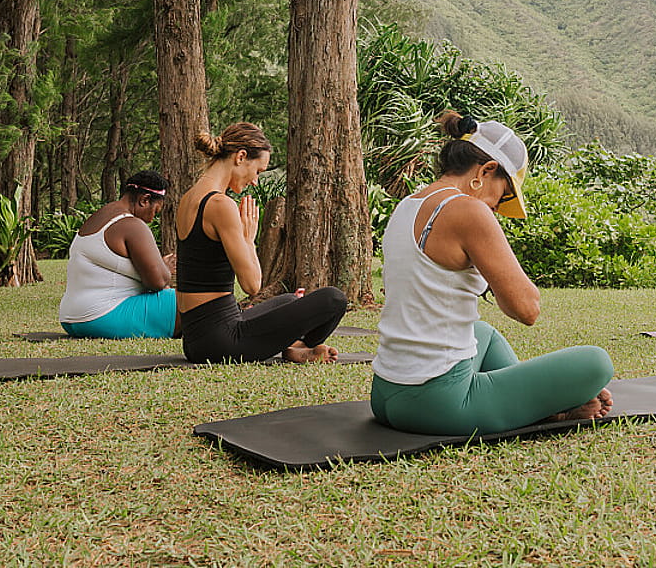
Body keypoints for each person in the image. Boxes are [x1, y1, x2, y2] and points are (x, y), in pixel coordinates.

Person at [371, 112, 614, 436]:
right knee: (597, 363)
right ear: (486, 171)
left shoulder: (408, 205)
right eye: (503, 195)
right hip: (437, 402)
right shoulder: (468, 210)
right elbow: (527, 309)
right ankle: (546, 405)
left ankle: (544, 404)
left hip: (386, 394)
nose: (497, 207)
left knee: (483, 333)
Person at [175, 122, 347, 364]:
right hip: (220, 341)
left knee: (289, 301)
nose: (255, 181)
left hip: (197, 337)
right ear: (241, 157)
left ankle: (293, 345)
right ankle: (300, 348)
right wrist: (249, 239)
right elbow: (252, 285)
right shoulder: (220, 205)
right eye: (257, 171)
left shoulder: (189, 197)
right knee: (334, 299)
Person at [59, 171, 178, 339]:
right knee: (191, 301)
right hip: (102, 316)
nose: (152, 219)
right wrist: (164, 267)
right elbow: (158, 282)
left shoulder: (101, 216)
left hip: (72, 319)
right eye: (155, 211)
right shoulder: (132, 224)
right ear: (144, 200)